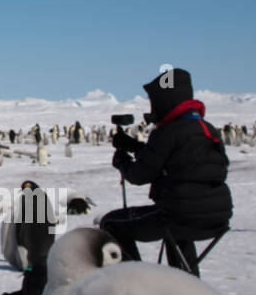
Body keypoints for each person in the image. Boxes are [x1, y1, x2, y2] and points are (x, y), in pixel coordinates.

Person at [99, 68, 232, 272]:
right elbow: (179, 161)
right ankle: (188, 284)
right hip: (216, 216)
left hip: (179, 216)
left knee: (112, 223)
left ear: (165, 100)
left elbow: (139, 175)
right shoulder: (206, 128)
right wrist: (134, 147)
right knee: (181, 228)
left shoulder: (168, 132)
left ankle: (135, 283)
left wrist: (122, 162)